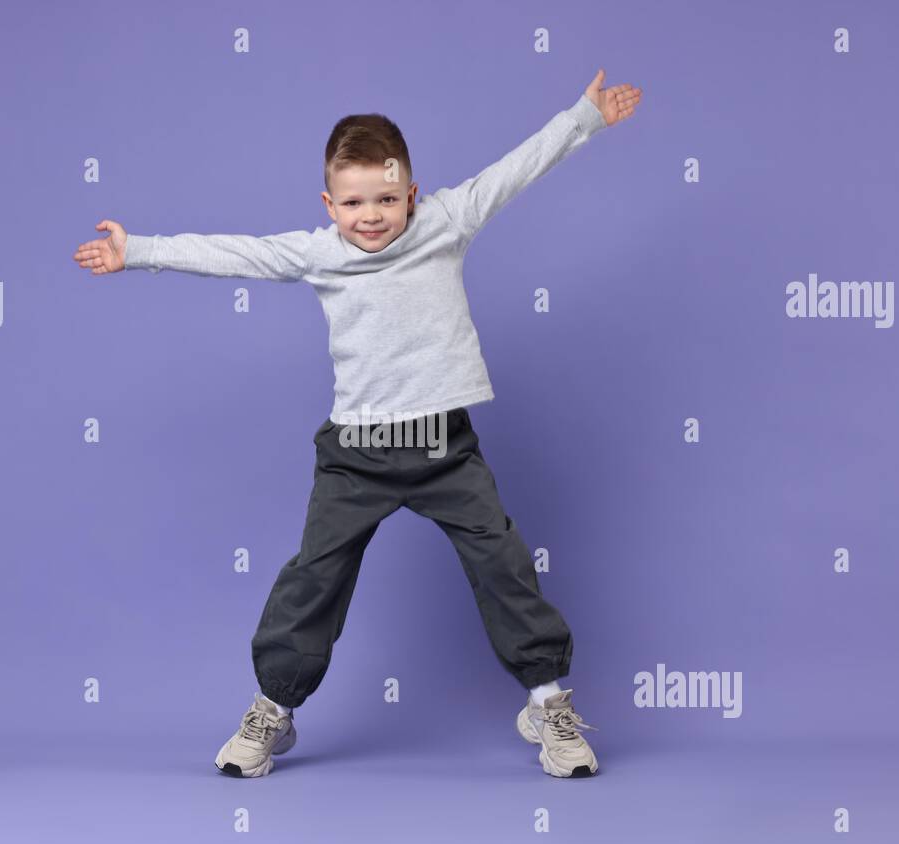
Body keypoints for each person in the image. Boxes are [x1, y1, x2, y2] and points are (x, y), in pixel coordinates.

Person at [73, 70, 642, 778]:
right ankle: (272, 708)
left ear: (412, 191)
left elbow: (515, 170)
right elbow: (237, 253)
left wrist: (582, 117)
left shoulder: (447, 221)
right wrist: (142, 250)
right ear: (328, 203)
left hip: (443, 450)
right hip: (357, 456)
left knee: (503, 563)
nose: (370, 215)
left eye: (385, 198)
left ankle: (547, 699)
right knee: (314, 578)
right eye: (352, 202)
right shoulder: (322, 253)